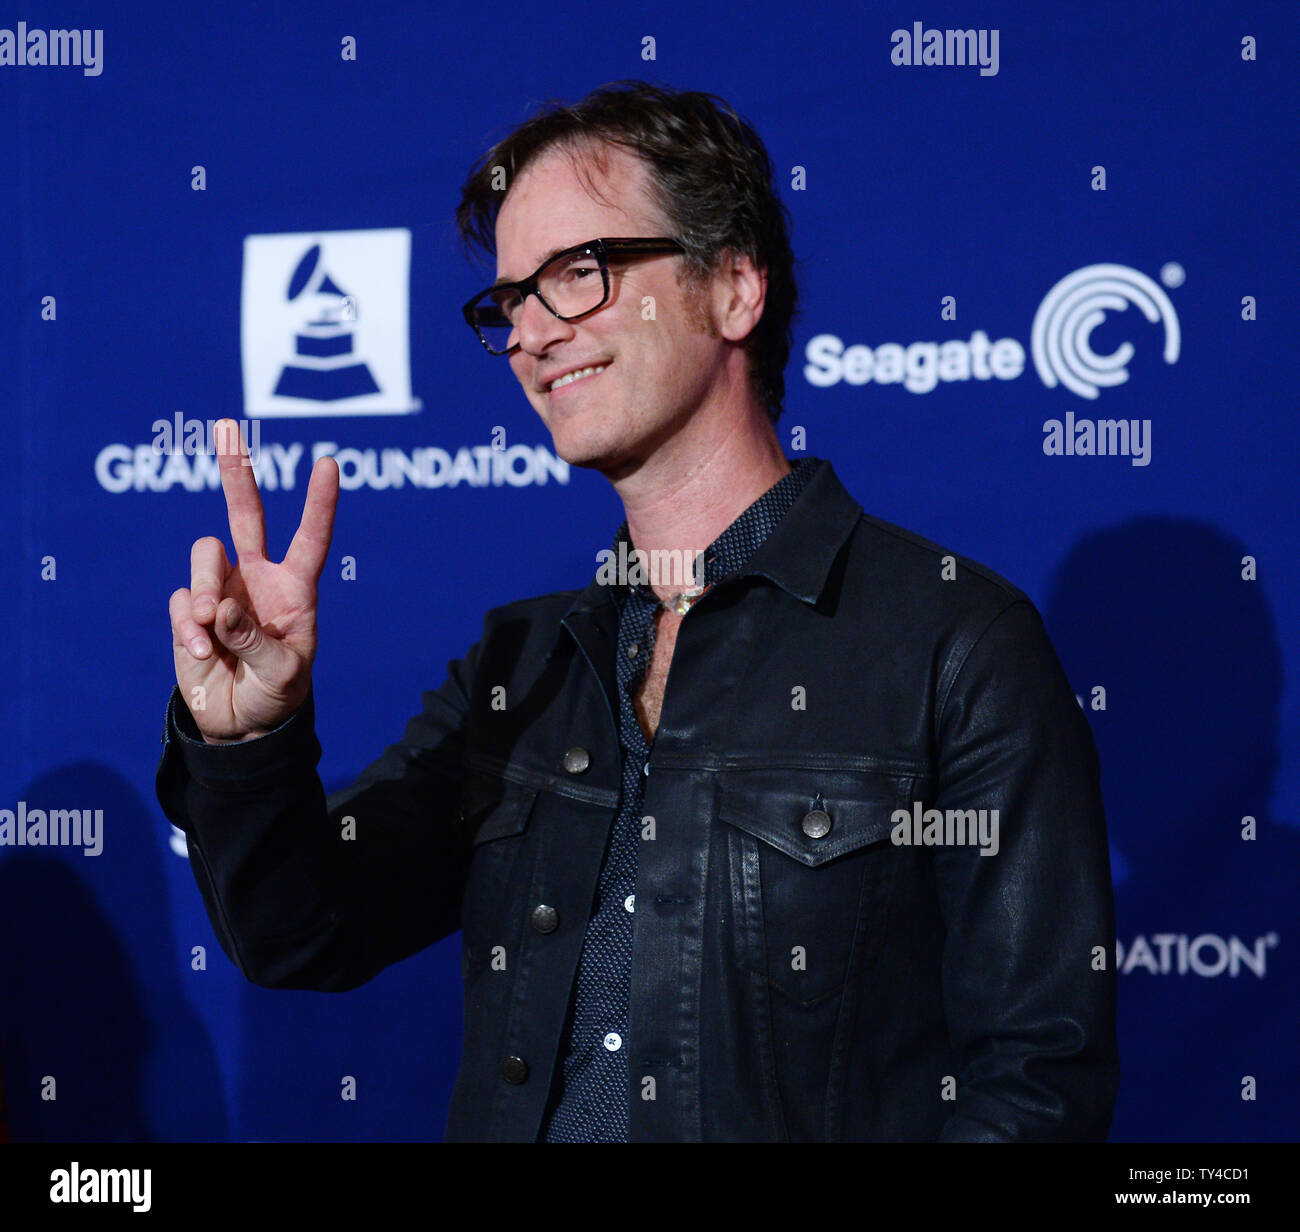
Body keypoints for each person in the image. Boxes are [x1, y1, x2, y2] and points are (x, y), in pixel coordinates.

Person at [158, 80, 1118, 1142]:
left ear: (734, 289)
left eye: (580, 272)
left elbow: (1035, 1088)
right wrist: (248, 739)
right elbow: (303, 931)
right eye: (510, 298)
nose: (530, 331)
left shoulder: (952, 641)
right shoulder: (523, 662)